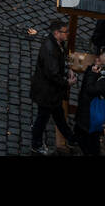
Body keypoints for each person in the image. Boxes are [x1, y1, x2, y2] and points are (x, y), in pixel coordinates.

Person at [29, 17, 77, 155]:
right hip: (47, 92)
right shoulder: (50, 49)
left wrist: (68, 68)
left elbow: (62, 60)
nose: (67, 34)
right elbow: (53, 75)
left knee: (58, 115)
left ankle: (70, 138)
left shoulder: (58, 43)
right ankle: (36, 144)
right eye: (65, 32)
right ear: (57, 33)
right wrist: (68, 82)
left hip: (50, 92)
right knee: (43, 119)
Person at [74, 52, 105, 156]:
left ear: (104, 65)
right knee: (81, 133)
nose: (96, 60)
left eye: (99, 60)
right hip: (87, 112)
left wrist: (93, 73)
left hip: (92, 115)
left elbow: (90, 89)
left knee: (91, 141)